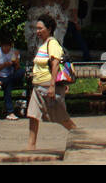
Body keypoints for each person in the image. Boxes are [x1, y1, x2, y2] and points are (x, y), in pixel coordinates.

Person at [26, 16, 77, 147]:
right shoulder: (42, 45)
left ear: (49, 29)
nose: (37, 31)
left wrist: (52, 86)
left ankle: (80, 135)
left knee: (62, 119)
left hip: (48, 88)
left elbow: (55, 65)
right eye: (36, 28)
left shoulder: (52, 44)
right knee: (32, 116)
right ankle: (31, 145)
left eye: (40, 28)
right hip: (37, 88)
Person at [0, 33, 23, 120]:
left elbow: (17, 69)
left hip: (10, 77)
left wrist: (16, 61)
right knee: (8, 86)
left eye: (8, 46)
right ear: (1, 45)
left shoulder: (14, 52)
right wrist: (3, 65)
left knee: (21, 72)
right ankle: (10, 112)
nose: (7, 48)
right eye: (4, 46)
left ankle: (1, 83)